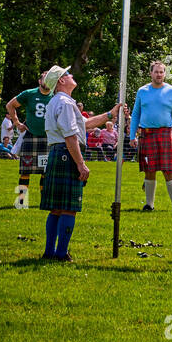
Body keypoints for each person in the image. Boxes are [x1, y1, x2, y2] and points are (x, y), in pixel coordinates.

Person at [39, 65, 125, 262]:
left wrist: (110, 115)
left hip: (57, 153)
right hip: (66, 154)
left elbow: (83, 125)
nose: (71, 76)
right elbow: (71, 136)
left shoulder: (57, 101)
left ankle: (49, 252)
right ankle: (61, 254)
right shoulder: (66, 103)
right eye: (67, 74)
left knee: (56, 208)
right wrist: (80, 163)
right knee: (69, 208)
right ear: (61, 81)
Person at [129, 60, 172, 212]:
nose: (159, 74)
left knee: (169, 170)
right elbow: (136, 114)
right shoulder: (142, 91)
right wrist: (132, 136)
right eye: (156, 72)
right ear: (150, 73)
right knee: (149, 170)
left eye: (161, 72)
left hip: (165, 133)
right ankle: (149, 205)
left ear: (165, 74)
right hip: (147, 134)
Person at [7, 73, 53, 198]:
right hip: (30, 135)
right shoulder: (29, 93)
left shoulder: (56, 96)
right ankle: (21, 201)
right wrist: (17, 123)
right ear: (39, 81)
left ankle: (45, 200)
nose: (47, 80)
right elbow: (10, 105)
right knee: (25, 171)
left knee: (46, 171)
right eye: (45, 78)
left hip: (48, 138)